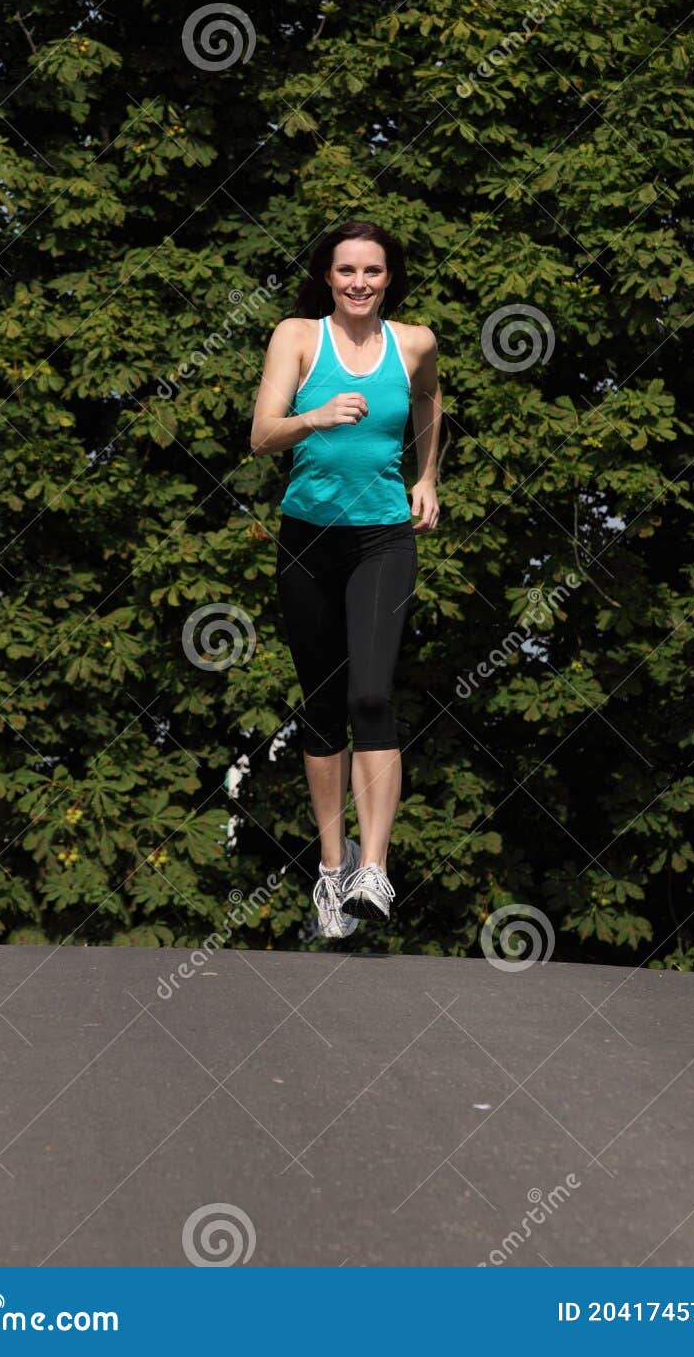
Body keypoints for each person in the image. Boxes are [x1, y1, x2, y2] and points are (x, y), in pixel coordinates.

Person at [250, 221, 441, 938]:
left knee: (369, 695)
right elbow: (260, 434)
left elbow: (428, 399)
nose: (359, 283)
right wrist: (315, 416)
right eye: (346, 271)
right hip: (306, 541)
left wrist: (426, 476)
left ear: (389, 278)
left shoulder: (413, 342)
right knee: (323, 706)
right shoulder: (296, 338)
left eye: (372, 271)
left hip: (382, 540)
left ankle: (375, 871)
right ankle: (332, 871)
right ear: (327, 277)